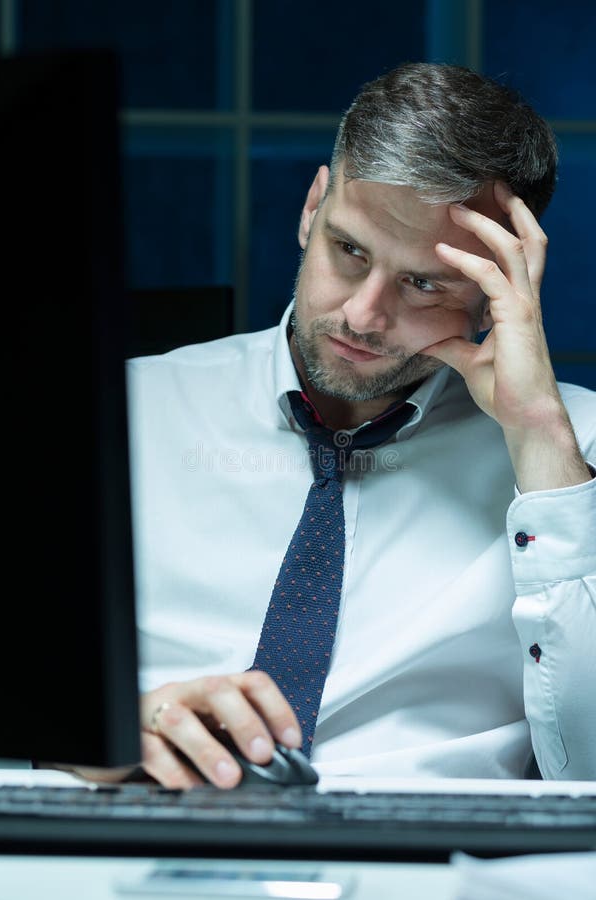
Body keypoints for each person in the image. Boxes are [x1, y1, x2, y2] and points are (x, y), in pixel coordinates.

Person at [97, 63, 596, 789]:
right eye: (349, 250)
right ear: (312, 208)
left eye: (424, 282)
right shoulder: (125, 412)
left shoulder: (574, 454)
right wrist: (94, 745)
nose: (362, 315)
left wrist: (538, 439)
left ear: (497, 292)